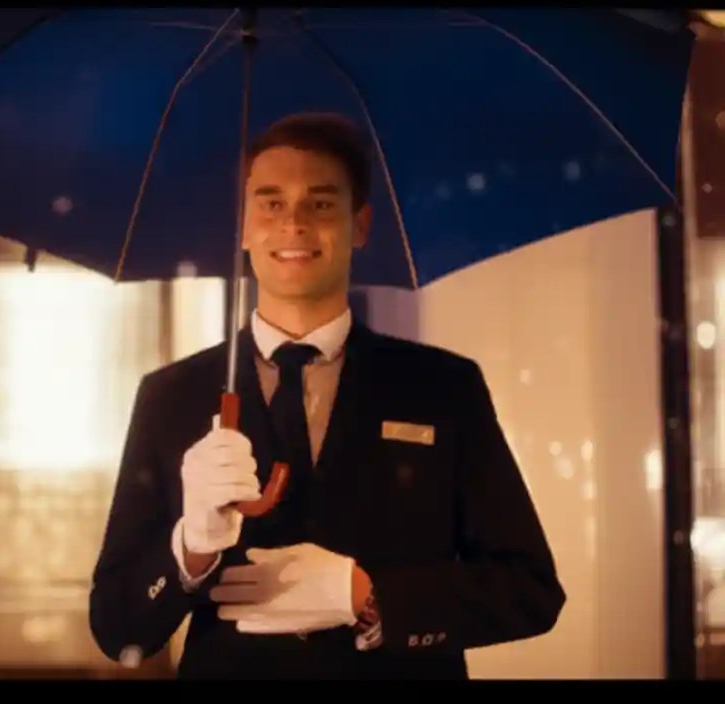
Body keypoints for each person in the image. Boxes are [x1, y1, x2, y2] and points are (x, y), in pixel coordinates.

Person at [87, 112, 565, 679]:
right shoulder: (172, 395)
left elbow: (529, 588)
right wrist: (190, 548)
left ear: (359, 224)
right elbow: (117, 628)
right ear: (241, 226)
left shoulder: (442, 387)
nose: (293, 224)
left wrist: (364, 594)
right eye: (269, 202)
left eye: (319, 203)